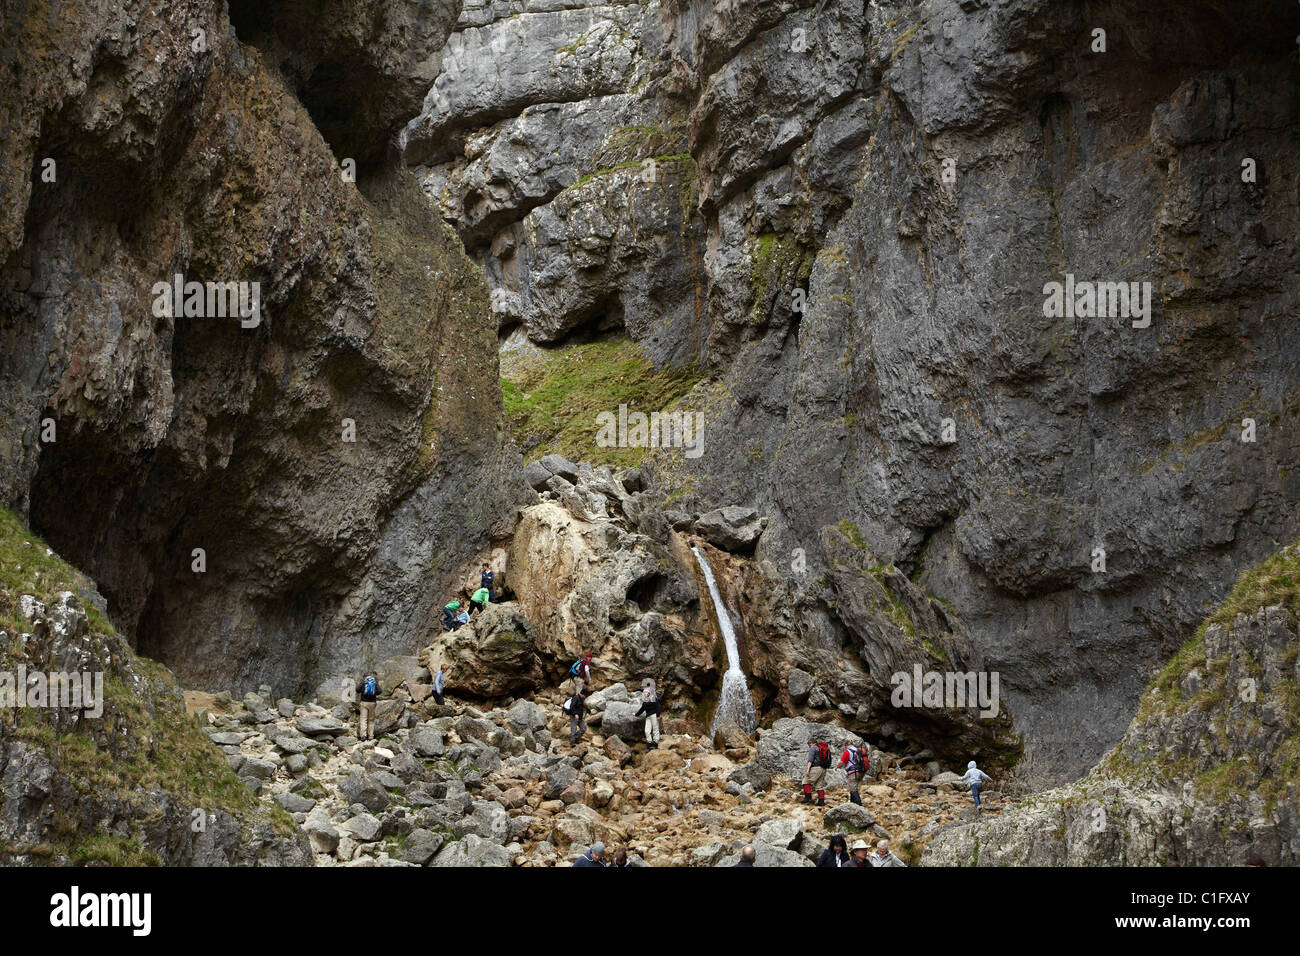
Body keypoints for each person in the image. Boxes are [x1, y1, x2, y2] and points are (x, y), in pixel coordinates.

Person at [801, 737, 832, 806]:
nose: (809, 747)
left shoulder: (813, 748)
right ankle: (821, 801)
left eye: (809, 745)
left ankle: (808, 798)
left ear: (811, 743)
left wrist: (808, 769)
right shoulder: (823, 748)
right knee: (819, 785)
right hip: (824, 769)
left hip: (816, 768)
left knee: (805, 781)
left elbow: (810, 760)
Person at [838, 741, 870, 806]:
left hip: (853, 772)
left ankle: (859, 804)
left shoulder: (847, 751)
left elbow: (842, 762)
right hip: (861, 771)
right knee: (855, 787)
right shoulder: (858, 750)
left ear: (846, 745)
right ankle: (853, 804)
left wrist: (836, 767)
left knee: (853, 789)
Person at [355, 671, 379, 740]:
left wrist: (362, 683)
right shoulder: (374, 683)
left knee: (363, 719)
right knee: (371, 720)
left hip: (364, 703)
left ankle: (363, 736)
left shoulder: (363, 682)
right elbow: (380, 691)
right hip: (372, 703)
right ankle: (371, 736)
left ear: (364, 677)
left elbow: (357, 690)